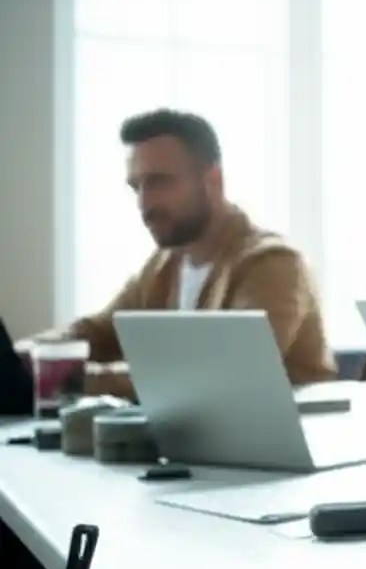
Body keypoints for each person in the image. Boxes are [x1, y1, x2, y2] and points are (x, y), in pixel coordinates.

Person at [27, 109, 335, 400]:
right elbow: (97, 332)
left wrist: (75, 379)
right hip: (193, 447)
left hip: (286, 449)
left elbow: (230, 371)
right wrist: (29, 356)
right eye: (137, 187)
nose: (144, 204)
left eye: (159, 182)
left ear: (213, 180)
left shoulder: (273, 263)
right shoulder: (163, 267)